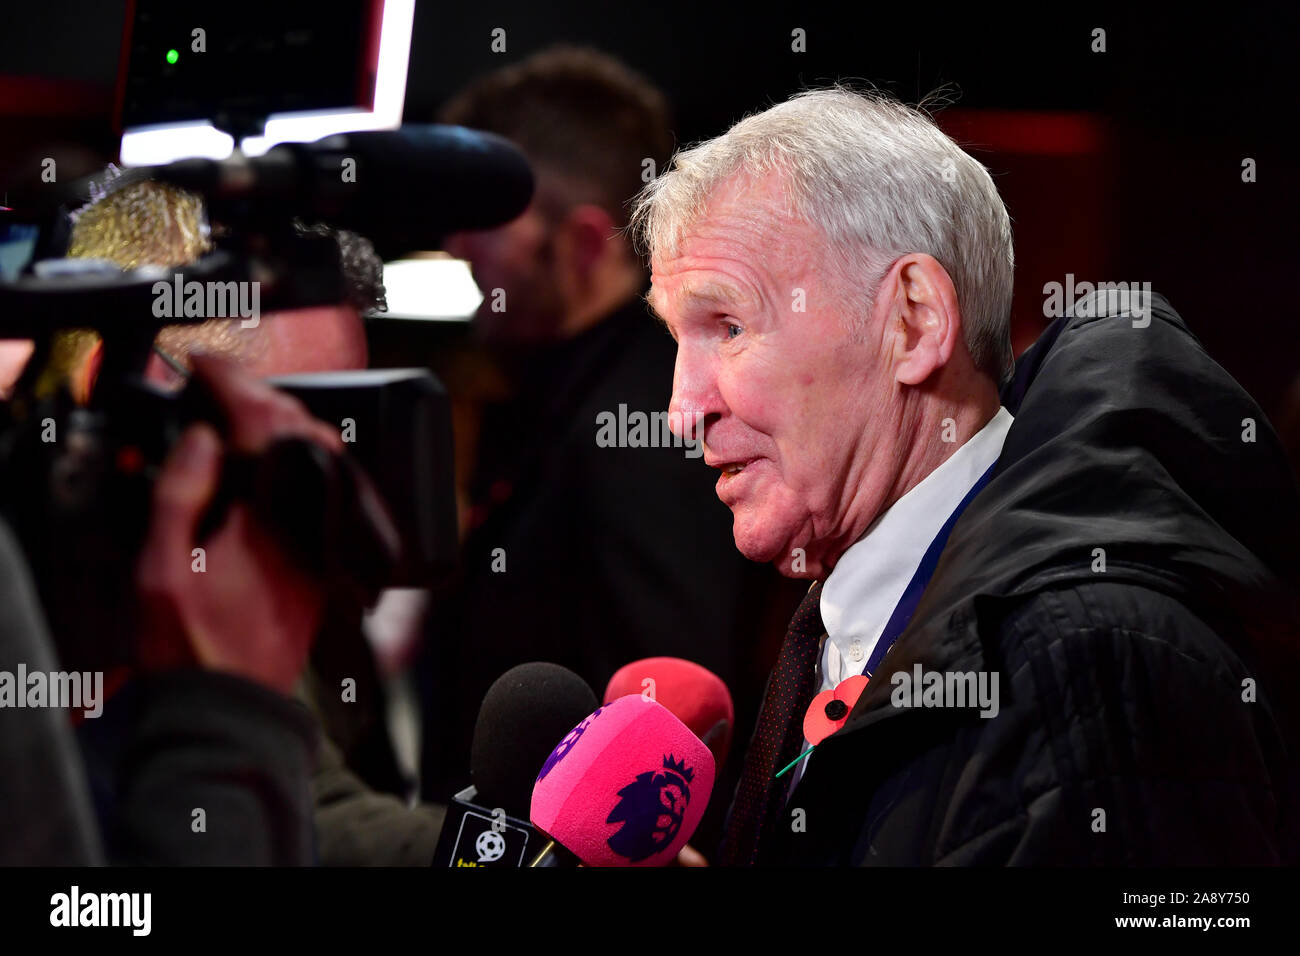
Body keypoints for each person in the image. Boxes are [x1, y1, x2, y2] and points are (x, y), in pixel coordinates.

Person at [632, 86, 1300, 865]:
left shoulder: (1090, 666)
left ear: (913, 321)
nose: (683, 410)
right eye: (679, 337)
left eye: (731, 326)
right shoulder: (861, 604)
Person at [418, 47, 798, 851]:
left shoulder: (644, 425)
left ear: (587, 243)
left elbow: (673, 716)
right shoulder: (556, 391)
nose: (458, 243)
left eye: (488, 220)